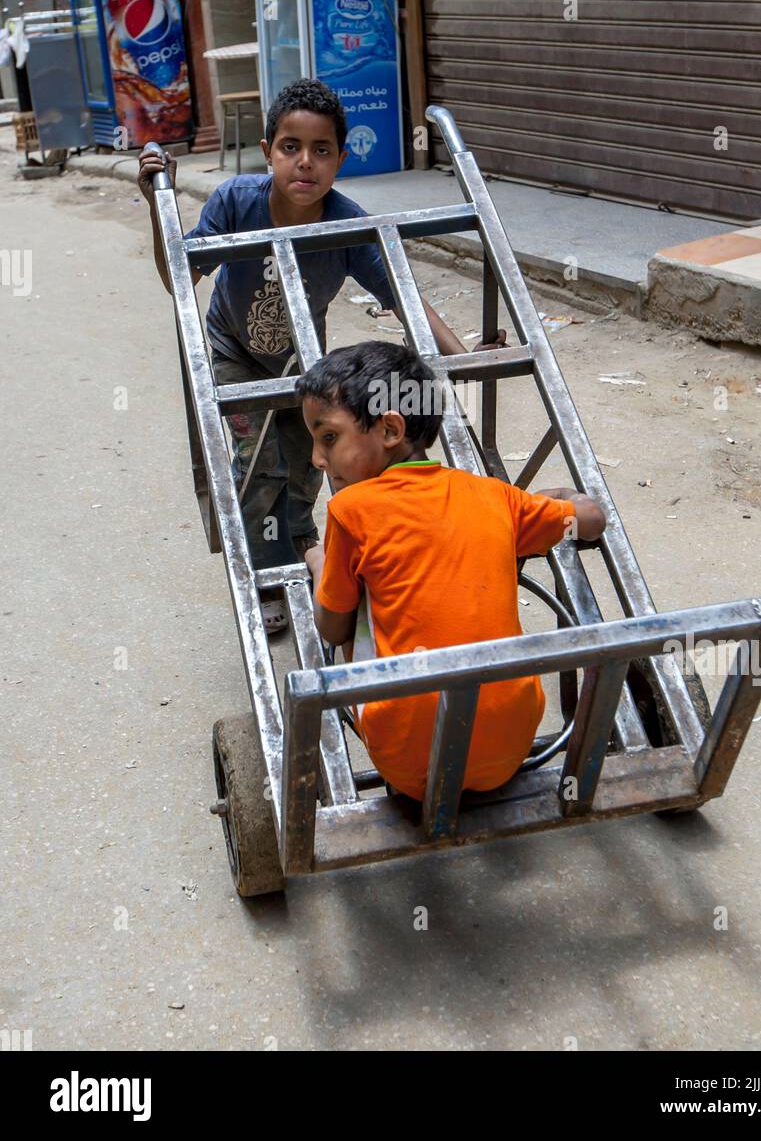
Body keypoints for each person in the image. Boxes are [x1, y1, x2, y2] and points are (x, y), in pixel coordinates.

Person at [138, 78, 490, 632]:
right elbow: (178, 278)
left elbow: (405, 298)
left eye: (321, 151)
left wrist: (461, 360)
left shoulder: (347, 223)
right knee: (259, 465)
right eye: (291, 148)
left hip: (303, 360)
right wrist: (157, 210)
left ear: (341, 159)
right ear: (268, 153)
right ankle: (267, 575)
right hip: (234, 350)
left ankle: (306, 557)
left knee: (306, 467)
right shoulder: (236, 201)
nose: (306, 163)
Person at [298, 341, 606, 802]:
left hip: (408, 760)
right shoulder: (495, 497)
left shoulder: (349, 510)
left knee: (356, 593)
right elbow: (591, 517)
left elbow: (333, 626)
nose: (318, 459)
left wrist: (319, 561)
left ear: (389, 430)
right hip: (512, 744)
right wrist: (556, 499)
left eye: (328, 438)